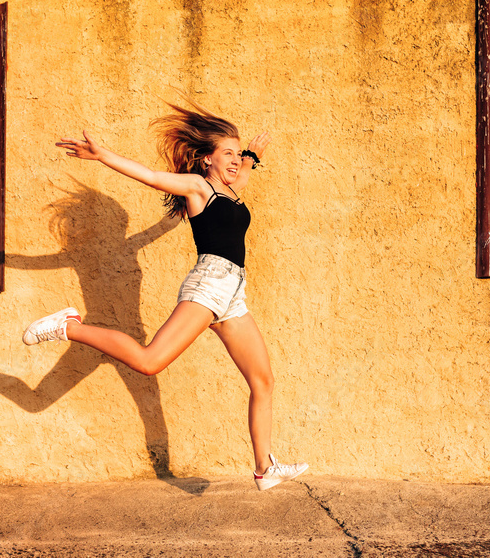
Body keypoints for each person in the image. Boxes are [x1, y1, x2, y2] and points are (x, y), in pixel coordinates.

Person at [22, 94, 308, 491]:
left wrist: (251, 158)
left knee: (263, 380)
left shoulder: (229, 189)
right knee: (149, 361)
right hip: (209, 285)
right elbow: (151, 177)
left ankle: (264, 468)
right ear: (206, 159)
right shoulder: (196, 188)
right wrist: (103, 155)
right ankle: (69, 327)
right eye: (226, 153)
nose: (234, 160)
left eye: (235, 153)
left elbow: (241, 178)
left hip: (232, 294)